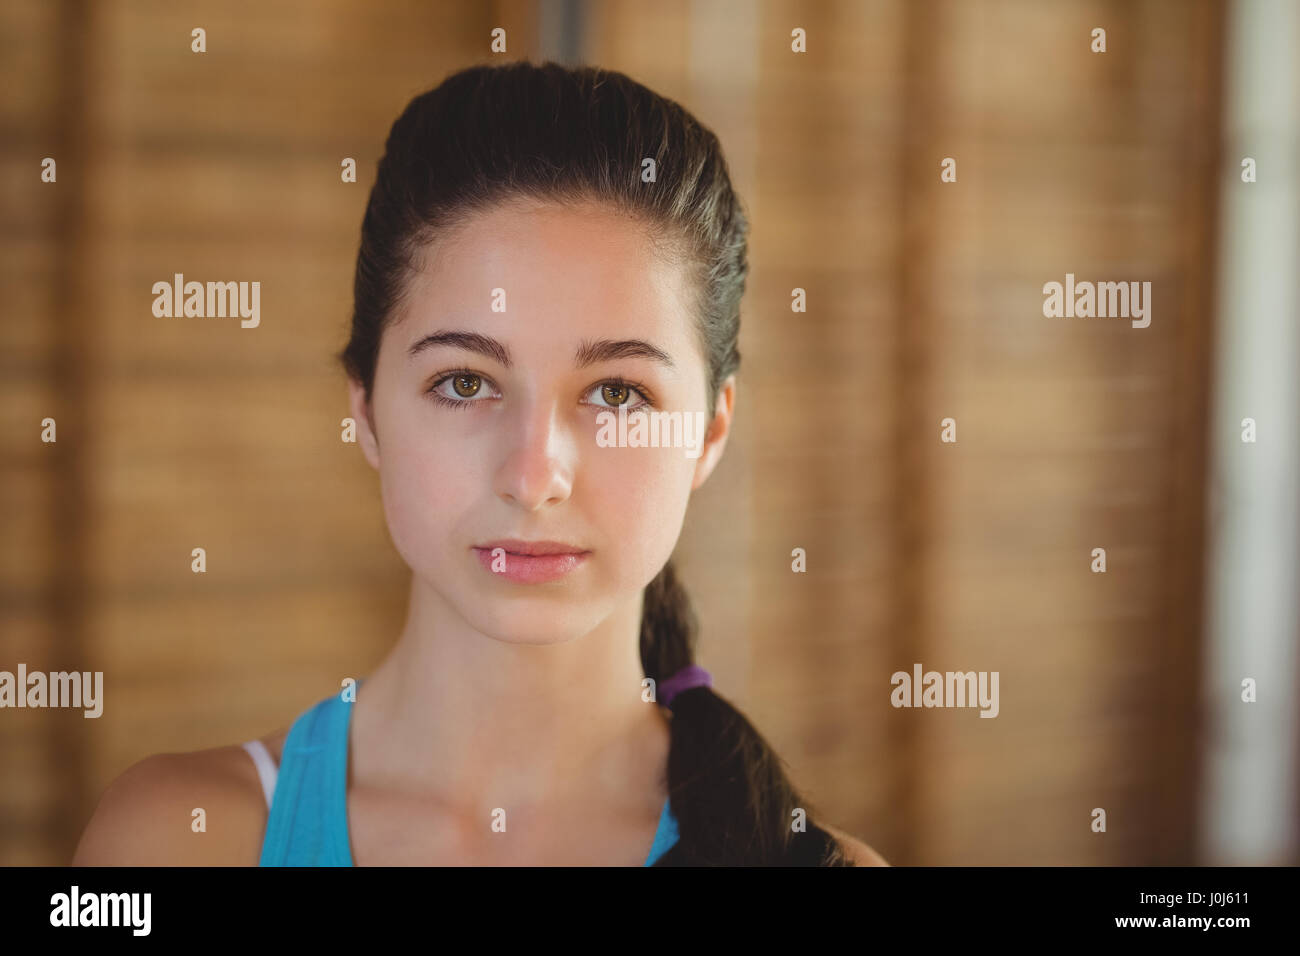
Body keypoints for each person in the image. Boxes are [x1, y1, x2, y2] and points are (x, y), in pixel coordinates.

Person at [73, 60, 886, 866]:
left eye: (616, 393)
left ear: (709, 432)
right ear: (365, 411)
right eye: (465, 383)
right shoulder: (173, 842)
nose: (533, 477)